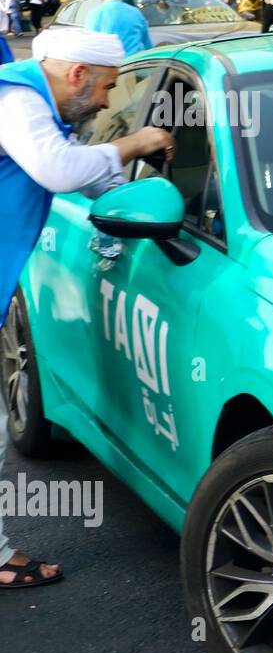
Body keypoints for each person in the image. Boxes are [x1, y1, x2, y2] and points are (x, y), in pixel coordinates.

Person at [0, 29, 175, 590]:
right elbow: (59, 170)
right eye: (105, 88)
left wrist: (135, 186)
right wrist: (134, 143)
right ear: (76, 75)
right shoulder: (15, 99)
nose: (106, 102)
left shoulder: (45, 111)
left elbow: (93, 174)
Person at [85, 0, 152, 56]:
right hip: (135, 62)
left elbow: (89, 44)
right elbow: (147, 42)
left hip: (111, 64)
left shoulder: (95, 13)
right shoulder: (135, 12)